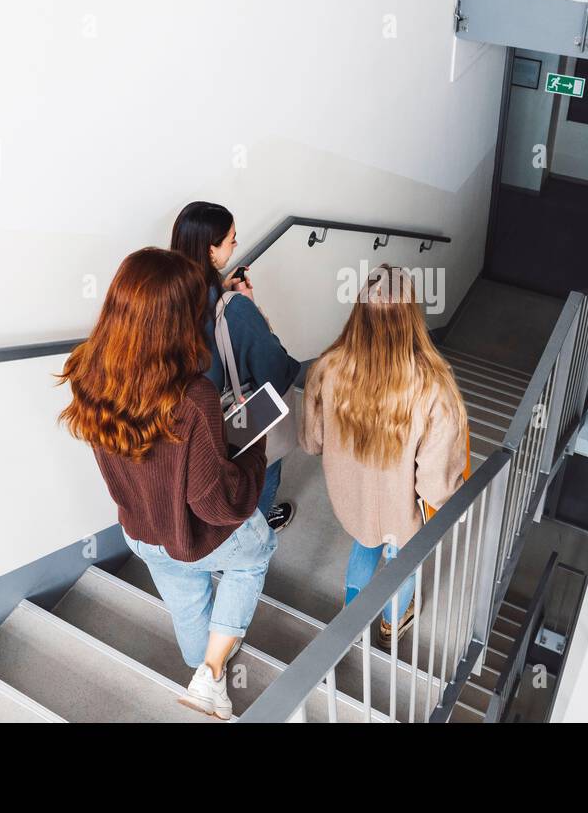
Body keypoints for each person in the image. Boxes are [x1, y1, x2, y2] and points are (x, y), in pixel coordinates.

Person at [58, 247, 274, 720]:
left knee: (186, 600)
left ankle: (201, 664)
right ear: (175, 319)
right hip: (194, 533)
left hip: (141, 530)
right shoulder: (192, 396)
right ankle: (214, 675)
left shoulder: (88, 372)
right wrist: (253, 451)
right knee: (256, 551)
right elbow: (216, 504)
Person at [301, 264, 469, 651]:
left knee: (364, 543)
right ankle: (392, 624)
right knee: (401, 561)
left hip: (353, 500)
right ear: (411, 314)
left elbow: (312, 441)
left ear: (359, 310)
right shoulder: (433, 386)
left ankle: (349, 620)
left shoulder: (327, 368)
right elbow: (434, 484)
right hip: (402, 508)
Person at [171, 201, 301, 532]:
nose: (235, 245)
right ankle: (252, 533)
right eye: (231, 239)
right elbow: (277, 370)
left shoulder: (168, 297)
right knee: (260, 467)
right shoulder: (236, 309)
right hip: (236, 421)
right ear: (210, 249)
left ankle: (219, 536)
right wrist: (246, 307)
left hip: (186, 424)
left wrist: (222, 296)